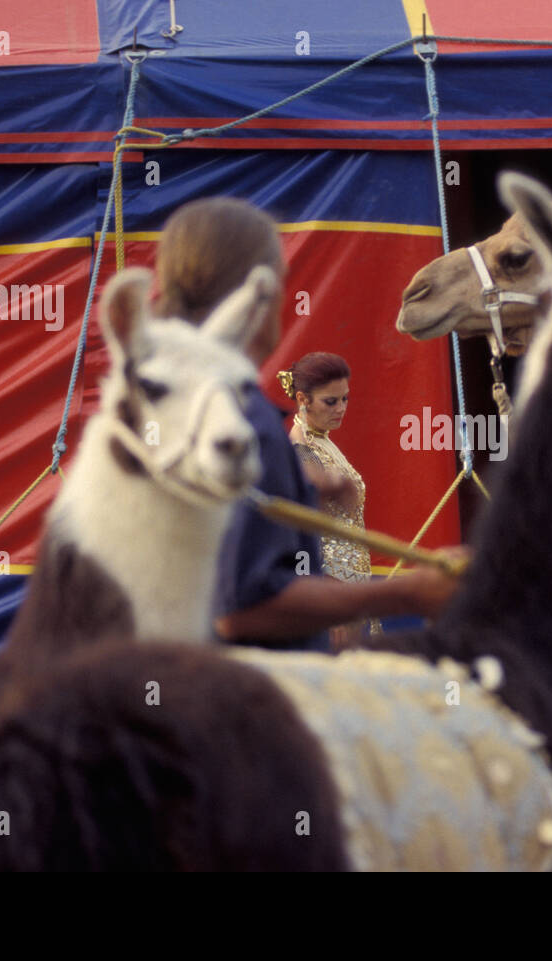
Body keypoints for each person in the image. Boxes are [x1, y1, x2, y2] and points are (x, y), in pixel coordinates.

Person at [148, 197, 461, 651]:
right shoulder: (236, 415)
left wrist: (296, 483)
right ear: (260, 293)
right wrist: (406, 593)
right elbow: (244, 610)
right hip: (250, 692)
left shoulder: (162, 392)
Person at [278, 352, 381, 650]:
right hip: (334, 591)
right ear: (303, 399)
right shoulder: (302, 450)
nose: (341, 409)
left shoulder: (322, 439)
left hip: (350, 587)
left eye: (345, 399)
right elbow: (305, 534)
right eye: (331, 401)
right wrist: (329, 606)